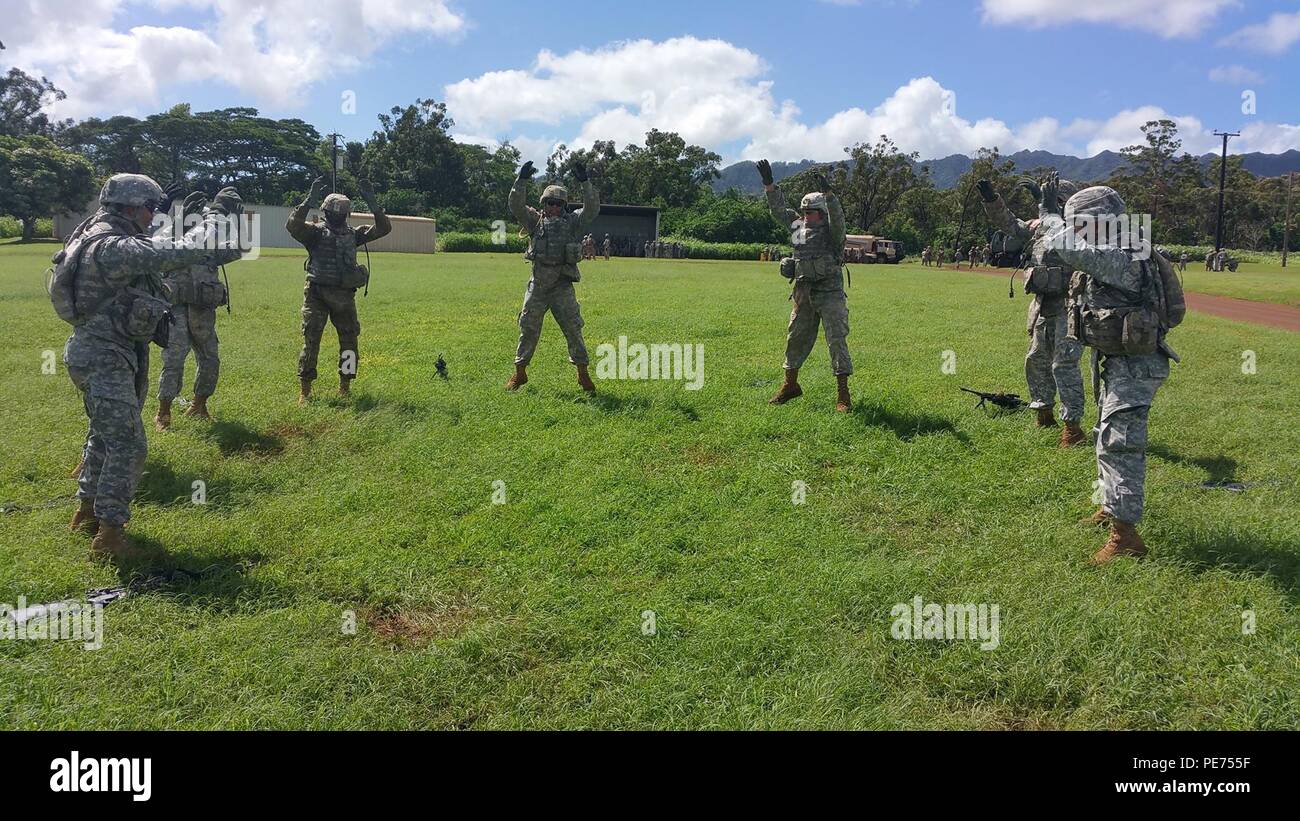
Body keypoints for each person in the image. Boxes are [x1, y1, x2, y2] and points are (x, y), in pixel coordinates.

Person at [58, 173, 242, 562]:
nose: (151, 216)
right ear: (130, 207)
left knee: (104, 437)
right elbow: (173, 250)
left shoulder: (94, 231)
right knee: (128, 443)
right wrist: (214, 215)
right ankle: (109, 537)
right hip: (105, 356)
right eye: (149, 208)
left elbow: (161, 246)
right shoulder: (112, 246)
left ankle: (86, 514)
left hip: (111, 351)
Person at [1042, 176, 1185, 565]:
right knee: (1105, 435)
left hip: (1136, 367)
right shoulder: (1120, 247)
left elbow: (1066, 247)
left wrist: (1051, 217)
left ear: (1099, 222)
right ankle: (1110, 507)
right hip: (1119, 360)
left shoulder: (1128, 254)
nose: (1077, 233)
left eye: (1080, 225)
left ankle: (1125, 538)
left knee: (1121, 444)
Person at [978, 176, 1086, 444]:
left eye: (1057, 200)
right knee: (1036, 360)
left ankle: (1072, 428)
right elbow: (1011, 225)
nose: (1051, 204)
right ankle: (1044, 413)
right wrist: (993, 200)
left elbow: (1064, 240)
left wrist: (1049, 211)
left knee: (1064, 366)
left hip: (1068, 306)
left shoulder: (1079, 229)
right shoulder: (1041, 225)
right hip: (1042, 305)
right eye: (1051, 199)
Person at [757, 160, 853, 412]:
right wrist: (769, 186)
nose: (805, 217)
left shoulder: (833, 233)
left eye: (810, 213)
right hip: (803, 293)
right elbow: (779, 211)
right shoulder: (798, 227)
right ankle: (791, 386)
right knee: (795, 337)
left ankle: (843, 395)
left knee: (836, 340)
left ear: (822, 214)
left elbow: (839, 219)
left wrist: (831, 196)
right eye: (804, 212)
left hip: (829, 293)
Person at [288, 175, 391, 404]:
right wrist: (309, 199)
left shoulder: (354, 234)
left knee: (349, 341)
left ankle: (345, 386)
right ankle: (305, 391)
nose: (334, 216)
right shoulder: (315, 233)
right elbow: (293, 225)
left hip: (344, 297)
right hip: (316, 294)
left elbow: (384, 228)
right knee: (311, 340)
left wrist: (372, 201)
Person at [506, 160, 600, 393]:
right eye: (550, 203)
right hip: (538, 285)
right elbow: (515, 206)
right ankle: (520, 374)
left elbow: (592, 209)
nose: (554, 208)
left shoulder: (574, 223)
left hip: (561, 285)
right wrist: (521, 180)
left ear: (564, 206)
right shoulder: (533, 221)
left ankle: (583, 375)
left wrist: (585, 182)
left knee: (573, 328)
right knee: (527, 326)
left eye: (558, 204)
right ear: (543, 204)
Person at [154, 188, 234, 430]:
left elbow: (240, 250)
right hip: (176, 311)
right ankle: (163, 414)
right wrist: (174, 223)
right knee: (174, 361)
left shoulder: (211, 248)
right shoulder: (171, 243)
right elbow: (154, 247)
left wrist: (238, 225)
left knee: (210, 359)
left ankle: (199, 406)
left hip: (203, 311)